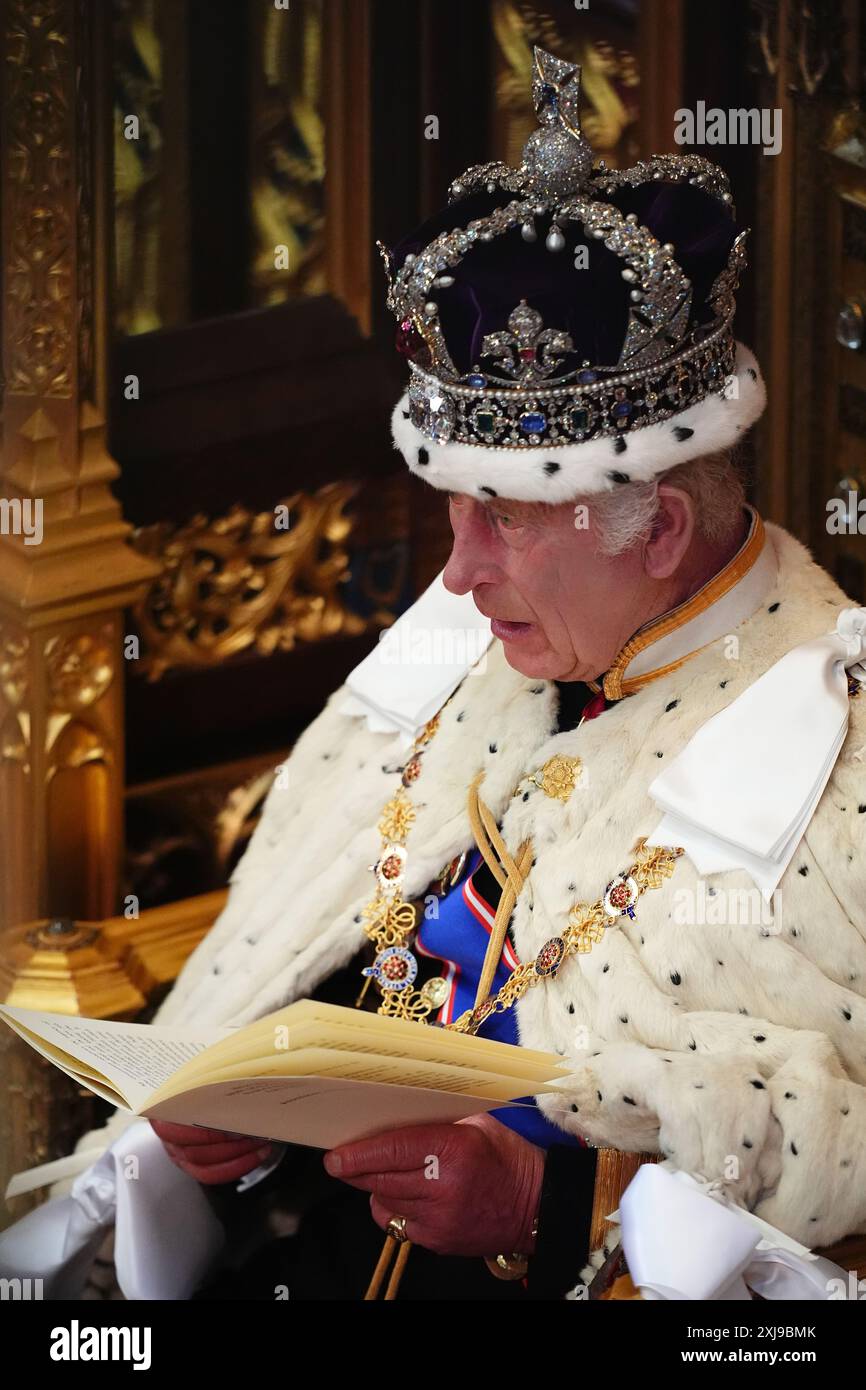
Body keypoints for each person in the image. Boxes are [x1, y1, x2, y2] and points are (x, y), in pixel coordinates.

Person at [16, 47, 866, 1300]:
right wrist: (222, 1136)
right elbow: (302, 956)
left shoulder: (837, 740)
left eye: (499, 520)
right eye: (452, 511)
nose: (454, 574)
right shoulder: (483, 628)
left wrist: (544, 1201)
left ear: (660, 531)